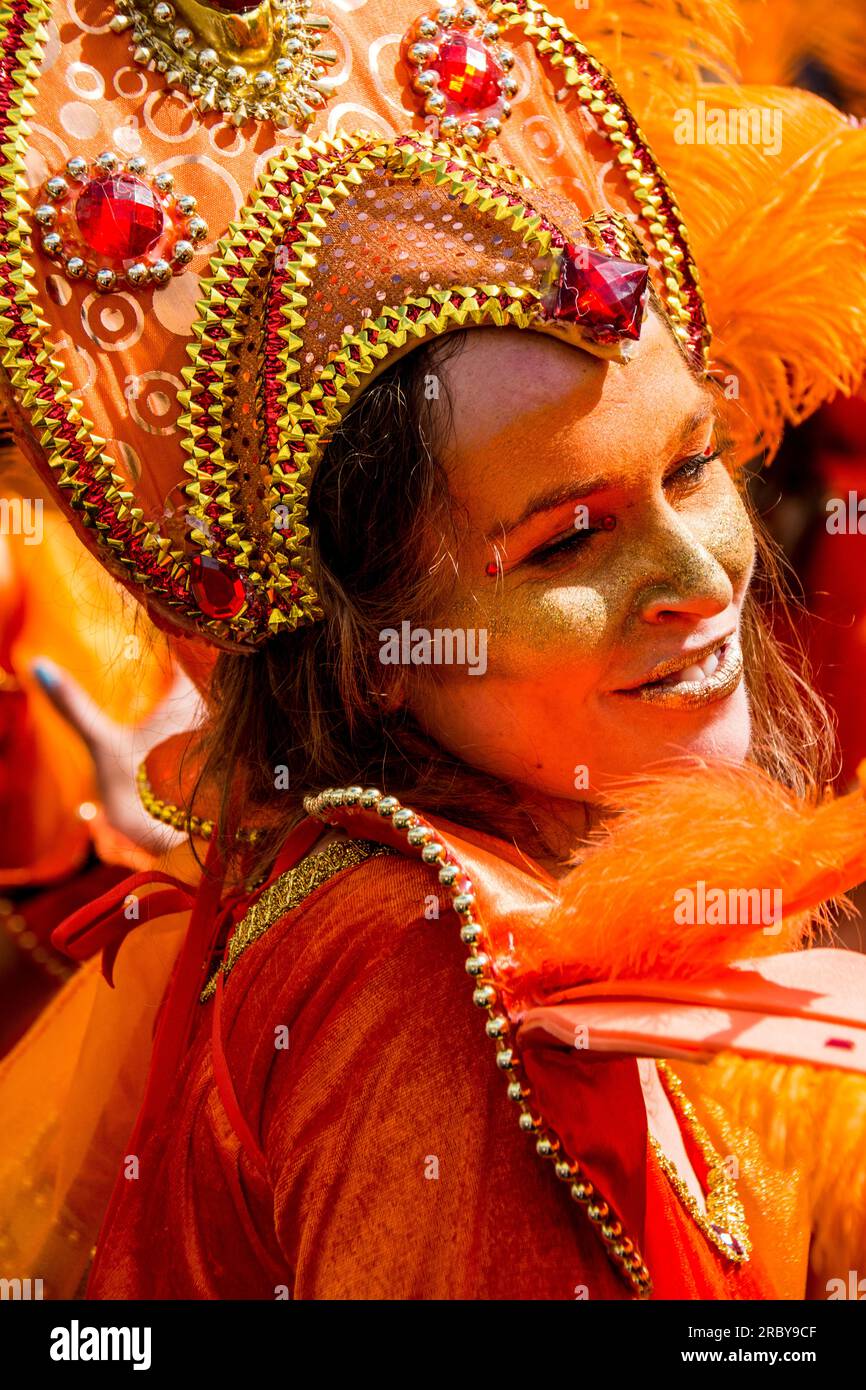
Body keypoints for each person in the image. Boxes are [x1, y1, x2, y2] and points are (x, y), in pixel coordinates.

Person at [2, 0, 866, 1301]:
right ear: (369, 653)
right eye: (565, 543)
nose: (698, 582)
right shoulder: (439, 976)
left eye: (690, 468)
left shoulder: (458, 892)